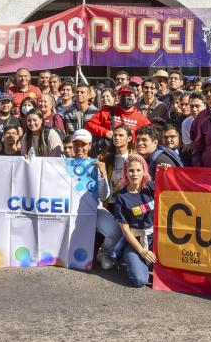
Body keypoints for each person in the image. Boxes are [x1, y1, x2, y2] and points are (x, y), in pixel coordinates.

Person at [65, 129, 118, 270]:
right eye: (76, 144)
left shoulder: (96, 164)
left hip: (92, 208)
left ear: (89, 146)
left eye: (83, 144)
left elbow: (103, 196)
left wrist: (103, 174)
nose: (79, 147)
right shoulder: (63, 163)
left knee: (115, 230)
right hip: (68, 209)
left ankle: (103, 253)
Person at [110, 154, 156, 288]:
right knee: (139, 280)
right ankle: (130, 259)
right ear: (125, 173)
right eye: (131, 170)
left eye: (138, 170)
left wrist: (166, 170)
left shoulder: (151, 188)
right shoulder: (121, 197)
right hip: (135, 240)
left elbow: (171, 184)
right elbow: (125, 230)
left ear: (144, 171)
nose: (134, 174)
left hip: (155, 239)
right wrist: (142, 251)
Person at [85, 86, 151, 145]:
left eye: (130, 95)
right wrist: (105, 132)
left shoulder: (141, 119)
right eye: (123, 96)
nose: (126, 98)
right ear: (118, 98)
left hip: (130, 152)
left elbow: (150, 135)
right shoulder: (107, 111)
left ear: (136, 98)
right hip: (109, 151)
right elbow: (89, 125)